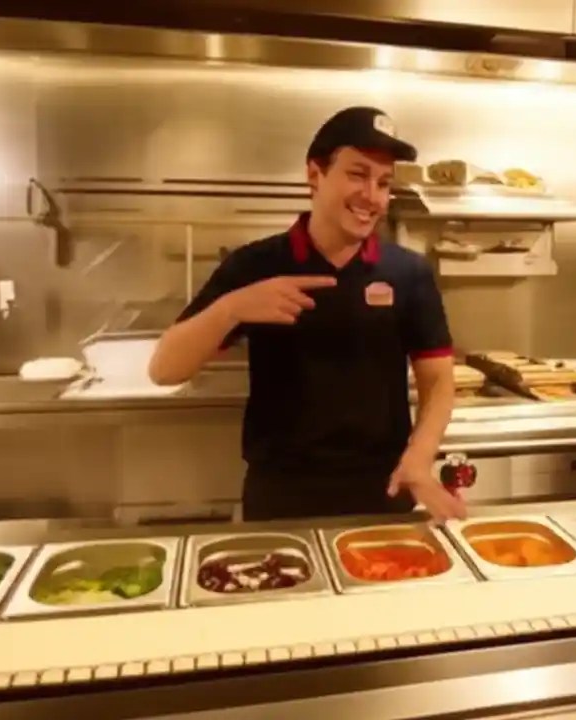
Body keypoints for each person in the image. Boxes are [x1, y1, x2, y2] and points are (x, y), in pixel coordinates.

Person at [149, 106, 468, 523]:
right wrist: (232, 308)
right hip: (281, 494)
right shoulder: (256, 265)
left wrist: (419, 458)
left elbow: (439, 380)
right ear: (314, 175)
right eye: (357, 174)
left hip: (384, 487)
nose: (372, 196)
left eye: (383, 182)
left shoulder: (408, 273)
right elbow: (165, 369)